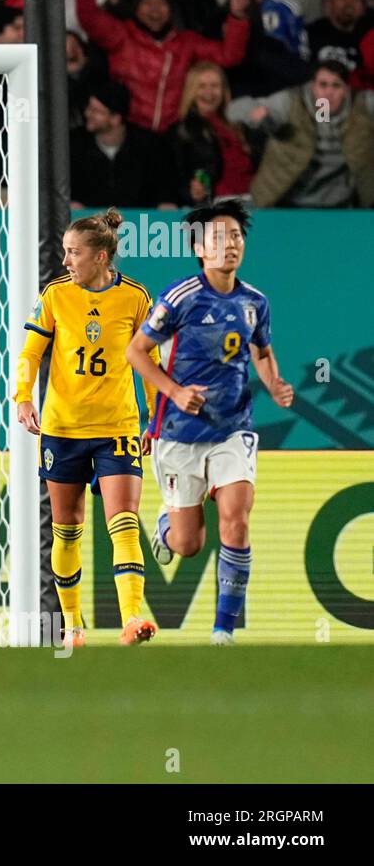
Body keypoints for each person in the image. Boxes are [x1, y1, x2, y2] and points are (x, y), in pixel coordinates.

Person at [125, 200, 294, 645]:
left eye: (236, 237)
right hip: (179, 433)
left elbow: (261, 352)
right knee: (188, 545)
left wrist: (274, 383)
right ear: (200, 248)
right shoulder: (181, 298)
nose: (230, 246)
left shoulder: (255, 301)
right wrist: (176, 391)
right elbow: (136, 352)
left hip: (233, 428)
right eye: (219, 239)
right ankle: (166, 525)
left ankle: (223, 630)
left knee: (236, 520)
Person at [14, 209, 160, 647]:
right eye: (63, 252)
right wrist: (23, 397)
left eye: (73, 253)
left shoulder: (135, 297)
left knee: (125, 522)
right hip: (63, 429)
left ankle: (133, 619)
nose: (65, 261)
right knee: (67, 528)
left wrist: (155, 416)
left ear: (100, 256)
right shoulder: (55, 295)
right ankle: (73, 627)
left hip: (118, 427)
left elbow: (151, 362)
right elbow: (30, 354)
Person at [73, 0, 251, 134]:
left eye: (161, 3)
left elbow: (229, 56)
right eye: (147, 3)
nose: (155, 9)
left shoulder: (186, 42)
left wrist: (237, 16)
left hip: (171, 133)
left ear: (170, 10)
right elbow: (90, 18)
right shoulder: (122, 35)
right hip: (131, 131)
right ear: (136, 9)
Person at [227, 59, 374, 207]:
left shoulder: (363, 104)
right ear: (312, 86)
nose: (329, 92)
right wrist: (253, 113)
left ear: (346, 89)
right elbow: (233, 109)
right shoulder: (291, 101)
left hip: (343, 206)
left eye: (336, 85)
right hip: (286, 201)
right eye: (323, 85)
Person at [69, 81, 180, 208]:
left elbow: (165, 190)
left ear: (116, 119)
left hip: (140, 223)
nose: (88, 114)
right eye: (89, 108)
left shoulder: (149, 145)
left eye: (96, 111)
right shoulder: (75, 143)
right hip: (90, 224)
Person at [167, 61, 256, 204]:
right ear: (191, 91)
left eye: (215, 86)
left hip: (253, 200)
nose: (209, 92)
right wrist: (193, 192)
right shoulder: (182, 131)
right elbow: (174, 177)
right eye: (201, 86)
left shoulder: (239, 124)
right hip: (217, 204)